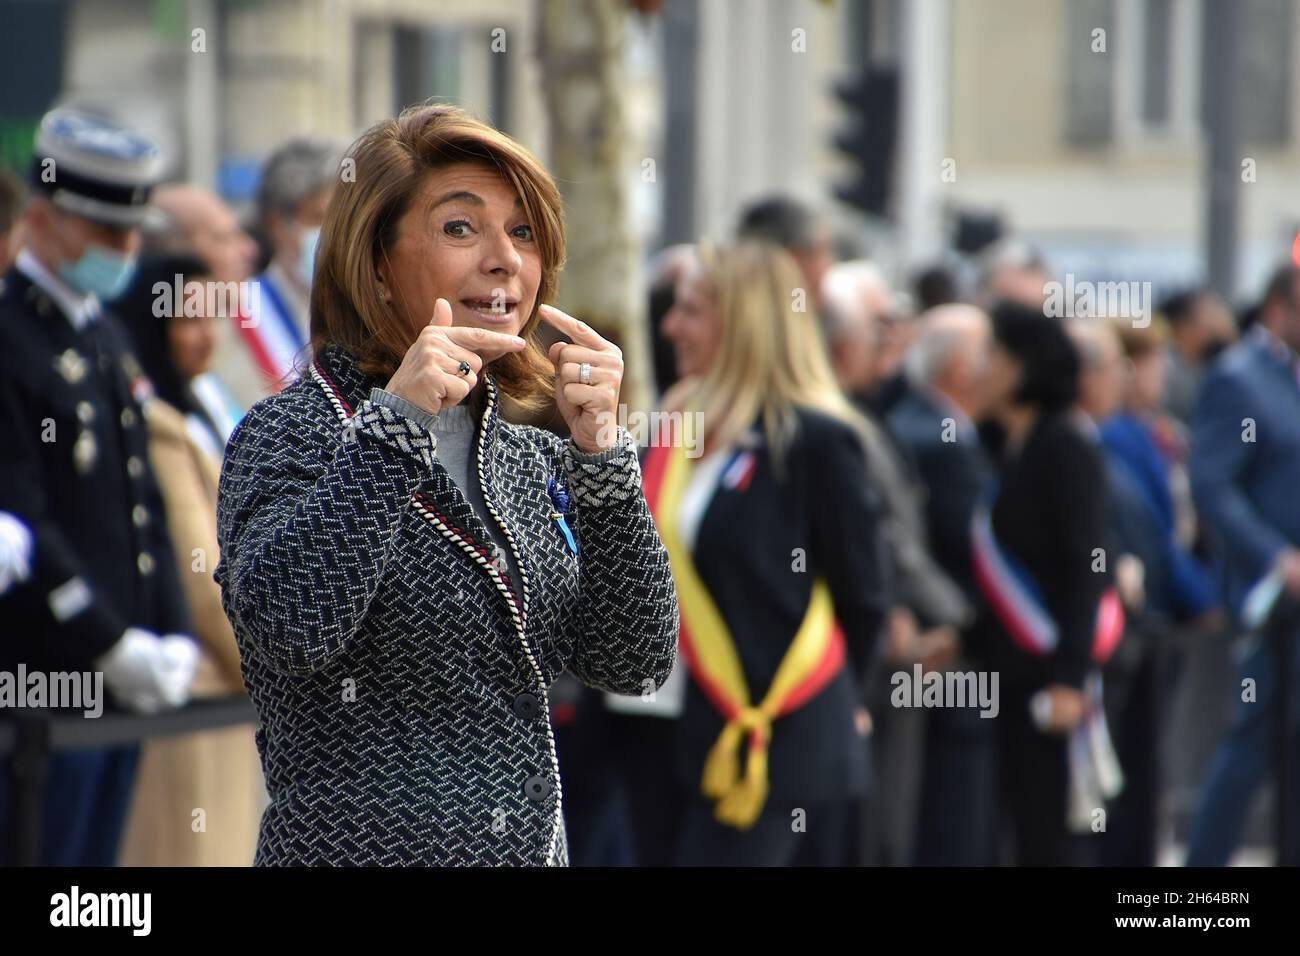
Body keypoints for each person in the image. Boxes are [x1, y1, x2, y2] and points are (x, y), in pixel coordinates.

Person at [214, 104, 678, 866]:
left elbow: (633, 661)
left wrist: (604, 462)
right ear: (376, 265)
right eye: (461, 228)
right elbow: (292, 629)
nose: (504, 260)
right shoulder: (291, 431)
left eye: (523, 232)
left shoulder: (529, 453)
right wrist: (398, 423)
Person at [0, 108, 199, 866]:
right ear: (44, 219)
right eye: (106, 231)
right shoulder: (11, 335)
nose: (125, 249)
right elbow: (21, 512)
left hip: (119, 678)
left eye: (133, 232)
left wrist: (167, 630)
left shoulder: (104, 335)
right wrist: (108, 641)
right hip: (46, 677)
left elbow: (142, 499)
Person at [652, 241, 890, 866]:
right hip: (676, 729)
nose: (670, 326)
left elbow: (865, 595)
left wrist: (845, 698)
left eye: (691, 311)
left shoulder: (816, 441)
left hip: (780, 737)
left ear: (744, 324)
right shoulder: (679, 425)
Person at [114, 254, 262, 866]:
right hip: (202, 688)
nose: (206, 335)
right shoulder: (158, 424)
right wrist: (273, 661)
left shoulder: (201, 405)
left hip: (228, 692)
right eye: (187, 319)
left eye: (214, 317)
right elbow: (202, 578)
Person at [974, 302, 1123, 866]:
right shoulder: (1004, 443)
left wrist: (1069, 678)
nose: (979, 367)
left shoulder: (1064, 443)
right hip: (1012, 673)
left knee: (1053, 838)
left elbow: (1087, 564)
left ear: (1020, 366)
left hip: (1052, 672)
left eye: (991, 354)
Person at [1185, 265, 1300, 866]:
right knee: (1251, 740)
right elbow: (1213, 484)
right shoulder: (1239, 379)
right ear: (1279, 311)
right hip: (1268, 600)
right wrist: (1276, 558)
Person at [888, 304, 999, 866]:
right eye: (990, 354)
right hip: (945, 657)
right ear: (960, 367)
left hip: (933, 654)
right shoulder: (943, 442)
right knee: (953, 821)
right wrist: (963, 624)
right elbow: (970, 557)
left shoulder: (923, 425)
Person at [228, 136, 344, 401]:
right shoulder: (238, 313)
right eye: (317, 218)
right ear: (276, 225)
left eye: (339, 219)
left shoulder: (362, 314)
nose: (332, 234)